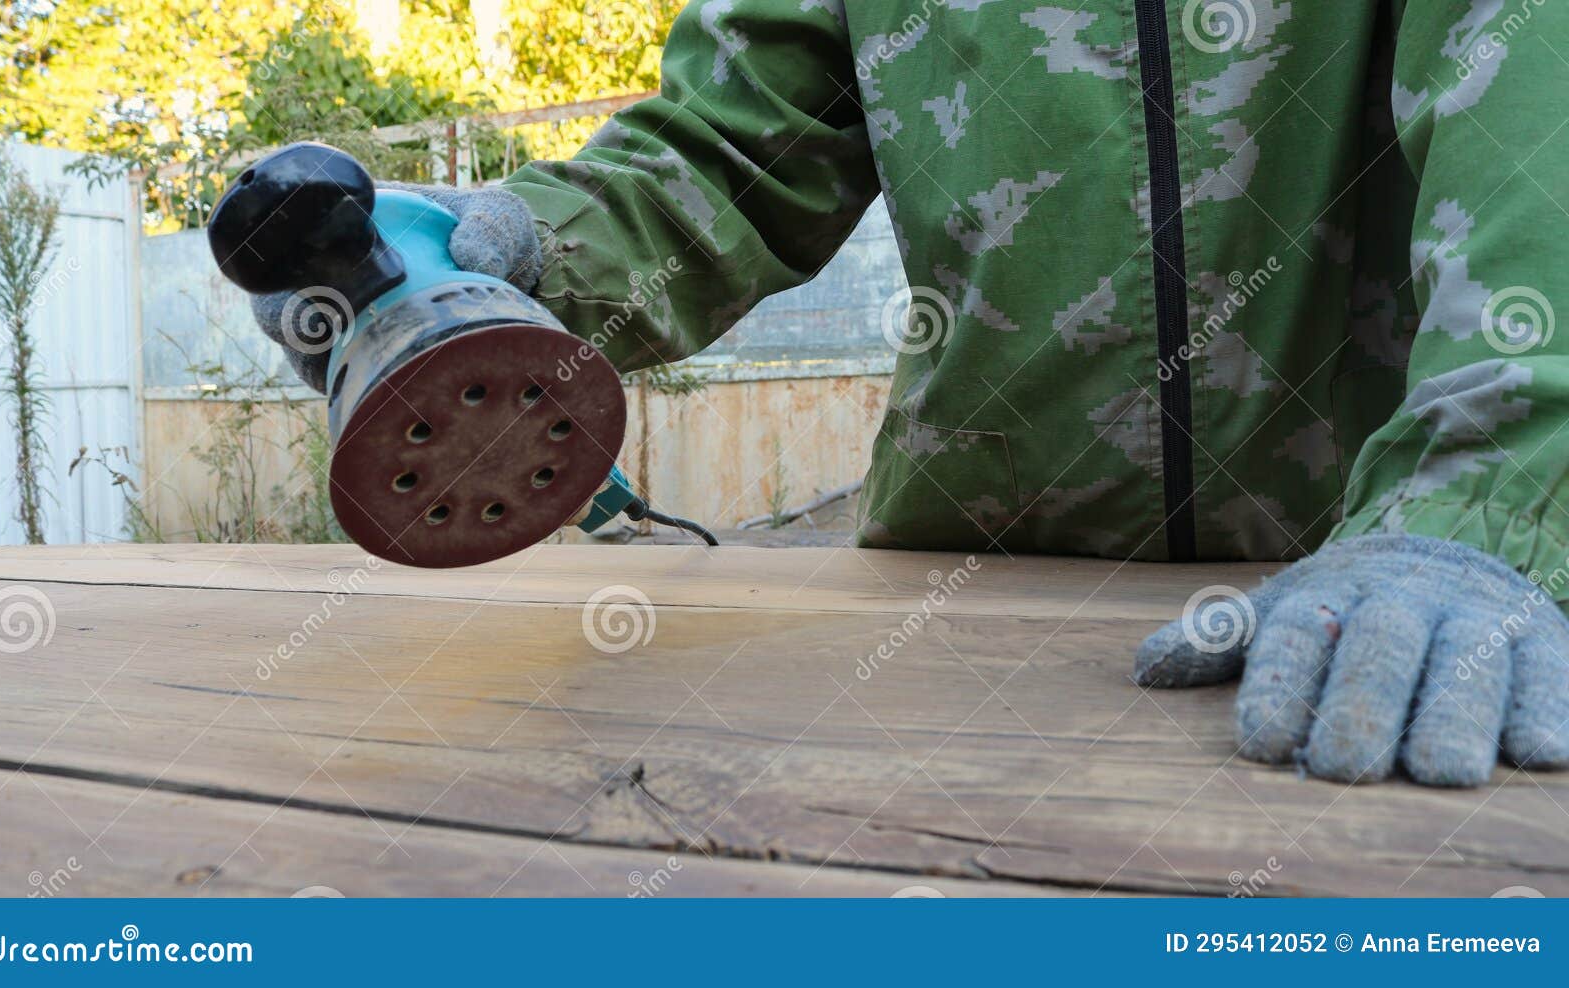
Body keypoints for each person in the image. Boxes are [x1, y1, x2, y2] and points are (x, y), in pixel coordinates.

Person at [249, 1, 1569, 788]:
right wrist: (520, 258)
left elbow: (1540, 114)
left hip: (1389, 609)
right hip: (957, 607)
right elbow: (732, 147)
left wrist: (1490, 503)